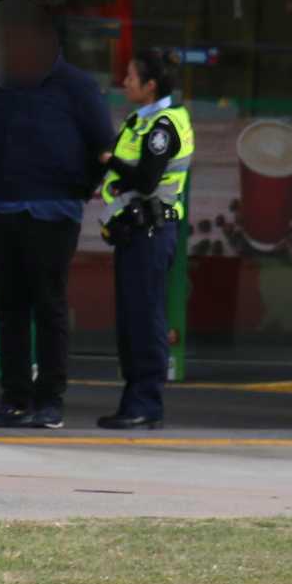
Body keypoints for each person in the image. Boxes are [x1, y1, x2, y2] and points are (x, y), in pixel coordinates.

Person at [0, 0, 113, 430]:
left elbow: (103, 146)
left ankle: (50, 399)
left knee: (48, 305)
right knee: (9, 308)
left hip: (53, 211)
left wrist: (78, 189)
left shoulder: (76, 86)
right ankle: (14, 398)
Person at [97, 46, 194, 432]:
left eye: (131, 77)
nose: (124, 82)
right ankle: (133, 401)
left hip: (152, 231)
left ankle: (146, 403)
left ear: (150, 86)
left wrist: (110, 163)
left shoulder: (164, 125)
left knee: (145, 317)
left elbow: (147, 180)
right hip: (135, 231)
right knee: (131, 319)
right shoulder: (142, 119)